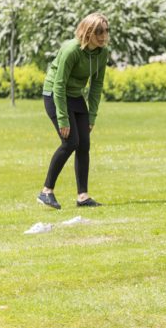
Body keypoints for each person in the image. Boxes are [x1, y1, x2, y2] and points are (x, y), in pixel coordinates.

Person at [37, 13, 109, 210]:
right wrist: (63, 119)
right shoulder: (72, 50)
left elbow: (96, 85)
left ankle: (83, 196)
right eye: (99, 32)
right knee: (70, 142)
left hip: (75, 96)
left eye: (106, 31)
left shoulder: (102, 53)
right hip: (55, 94)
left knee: (84, 143)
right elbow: (59, 85)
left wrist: (92, 115)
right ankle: (46, 192)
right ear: (88, 32)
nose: (103, 36)